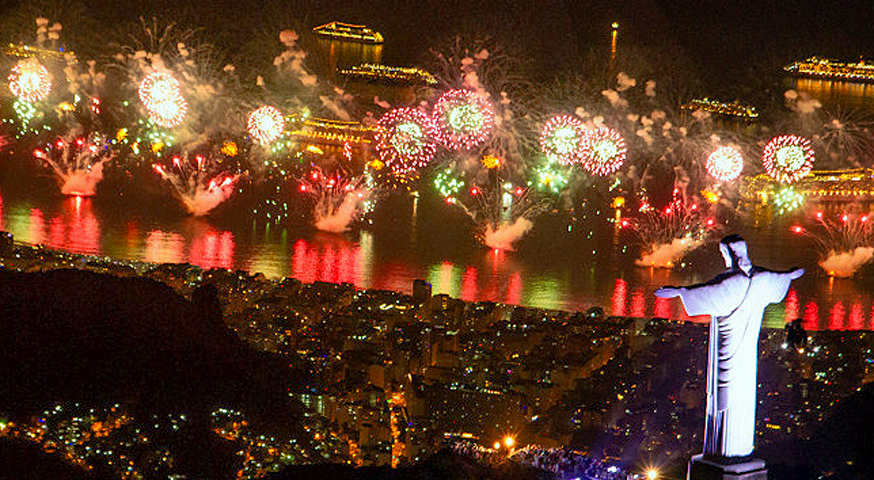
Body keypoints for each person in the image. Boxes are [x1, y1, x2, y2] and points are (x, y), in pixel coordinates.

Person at [655, 235, 803, 459]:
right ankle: (740, 448)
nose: (723, 258)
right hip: (748, 354)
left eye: (724, 254)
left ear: (730, 255)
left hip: (728, 350)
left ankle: (723, 450)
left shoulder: (733, 282)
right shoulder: (760, 278)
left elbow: (706, 291)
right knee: (743, 396)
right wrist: (790, 276)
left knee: (724, 395)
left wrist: (678, 292)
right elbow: (779, 277)